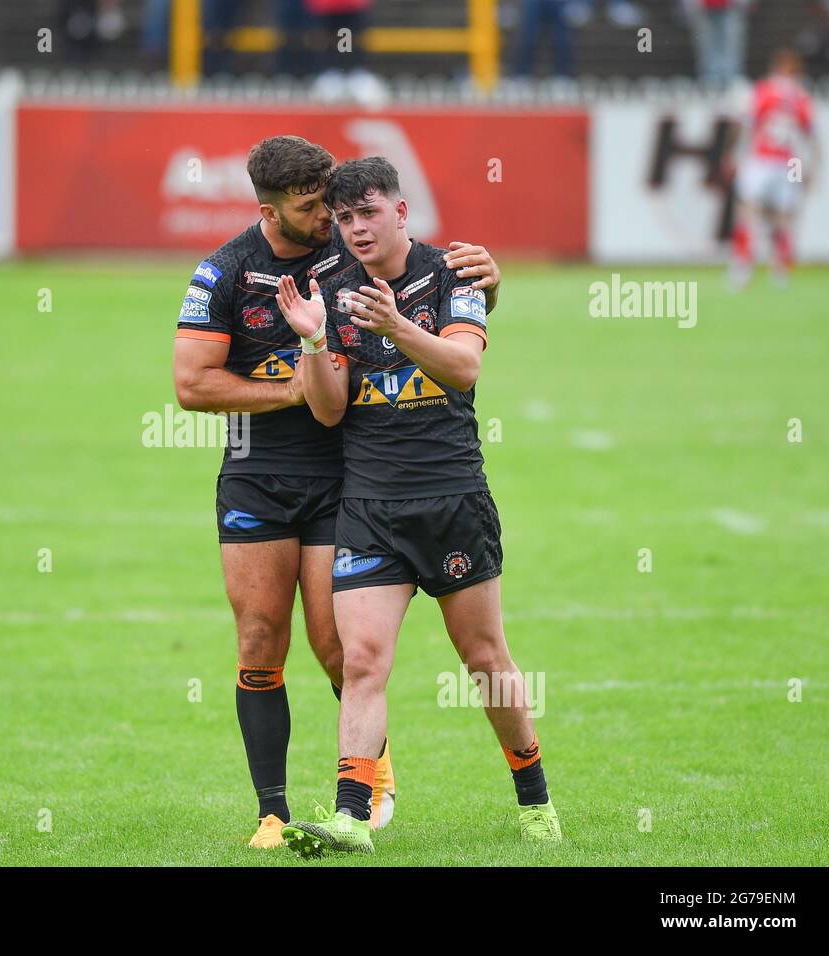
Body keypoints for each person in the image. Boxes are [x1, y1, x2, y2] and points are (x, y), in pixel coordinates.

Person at [172, 137, 500, 849]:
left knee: (334, 645)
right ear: (270, 209)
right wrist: (291, 388)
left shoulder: (345, 255)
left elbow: (427, 274)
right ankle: (272, 811)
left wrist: (488, 280)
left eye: (334, 202)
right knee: (259, 637)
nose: (329, 216)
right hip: (256, 474)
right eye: (312, 206)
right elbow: (192, 384)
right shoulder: (225, 270)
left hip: (345, 474)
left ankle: (366, 783)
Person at [273, 157, 558, 857]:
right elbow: (332, 412)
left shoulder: (452, 273)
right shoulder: (332, 289)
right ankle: (350, 816)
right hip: (370, 505)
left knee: (485, 658)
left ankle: (535, 799)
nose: (356, 229)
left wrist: (397, 326)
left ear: (401, 212)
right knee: (362, 659)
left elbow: (463, 368)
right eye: (343, 219)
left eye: (368, 213)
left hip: (452, 498)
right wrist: (313, 338)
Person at [729, 48, 820, 288]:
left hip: (761, 159)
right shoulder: (801, 96)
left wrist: (735, 157)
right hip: (790, 163)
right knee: (784, 216)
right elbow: (809, 138)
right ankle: (780, 270)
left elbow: (748, 126)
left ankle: (743, 267)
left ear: (776, 67)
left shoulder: (764, 90)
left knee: (747, 210)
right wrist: (810, 171)